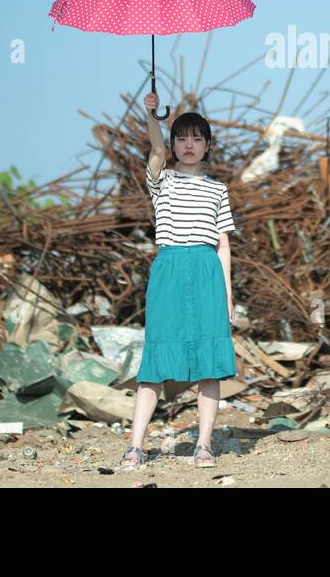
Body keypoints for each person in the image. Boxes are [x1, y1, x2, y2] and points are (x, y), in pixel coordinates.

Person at [120, 92, 237, 469]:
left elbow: (223, 246)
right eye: (181, 138)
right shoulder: (163, 181)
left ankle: (203, 444)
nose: (189, 145)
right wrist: (152, 115)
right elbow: (154, 150)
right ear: (174, 145)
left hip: (206, 272)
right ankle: (135, 446)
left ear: (207, 146)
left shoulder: (218, 189)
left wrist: (228, 294)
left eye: (197, 139)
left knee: (209, 363)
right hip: (169, 268)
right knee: (155, 359)